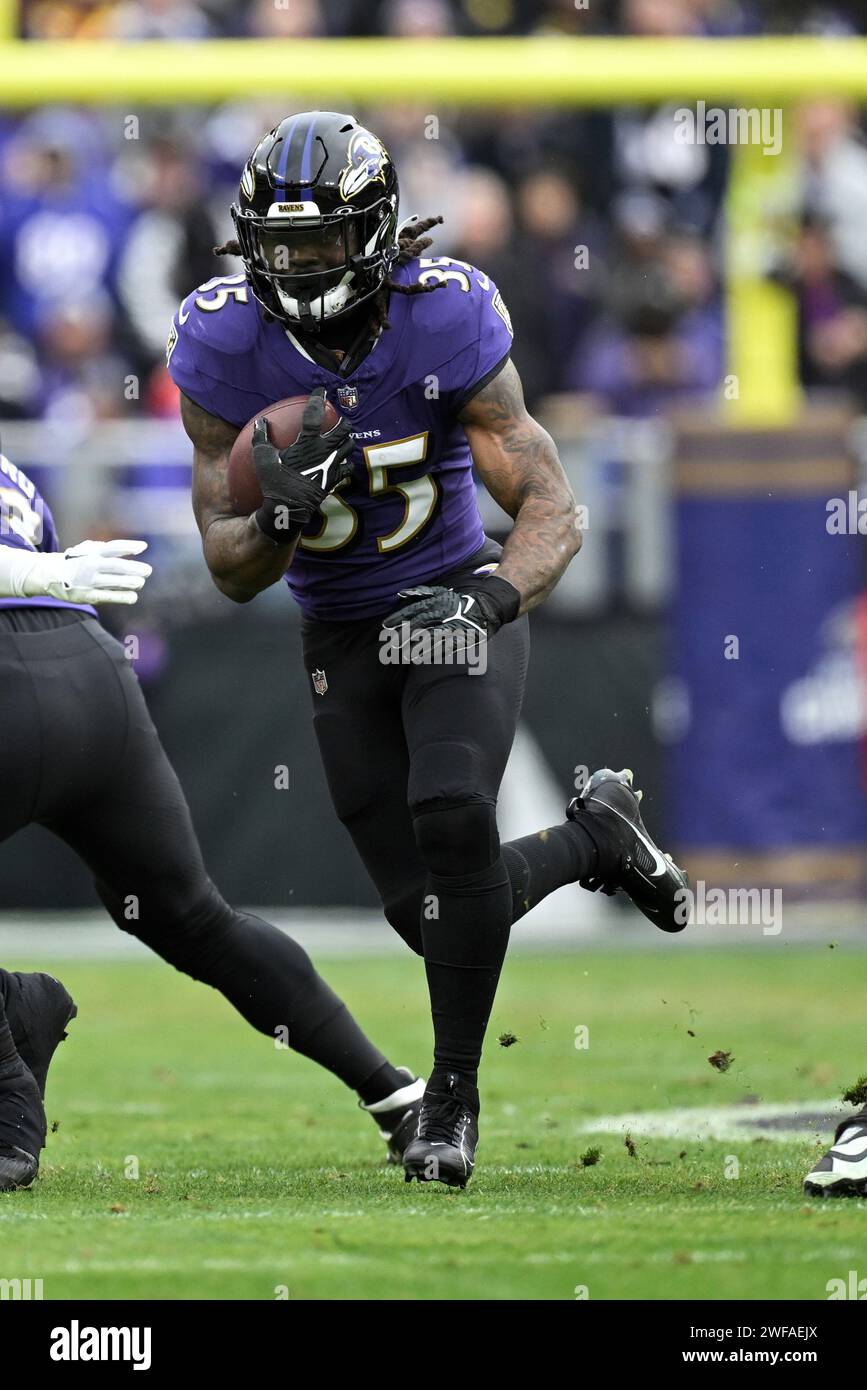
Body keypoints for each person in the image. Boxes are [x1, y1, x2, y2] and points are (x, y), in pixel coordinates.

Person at [169, 111, 688, 1188]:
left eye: (322, 245)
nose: (303, 268)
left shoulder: (444, 318)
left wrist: (491, 601)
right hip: (339, 623)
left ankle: (451, 1101)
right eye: (284, 247)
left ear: (377, 233)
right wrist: (278, 516)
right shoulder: (221, 340)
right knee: (426, 912)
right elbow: (227, 563)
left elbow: (550, 501)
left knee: (453, 814)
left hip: (451, 590)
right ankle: (597, 835)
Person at [0, 450, 422, 1192]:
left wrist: (41, 574)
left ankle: (9, 1111)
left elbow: (27, 573)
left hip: (16, 670)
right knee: (193, 918)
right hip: (89, 672)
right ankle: (395, 1093)